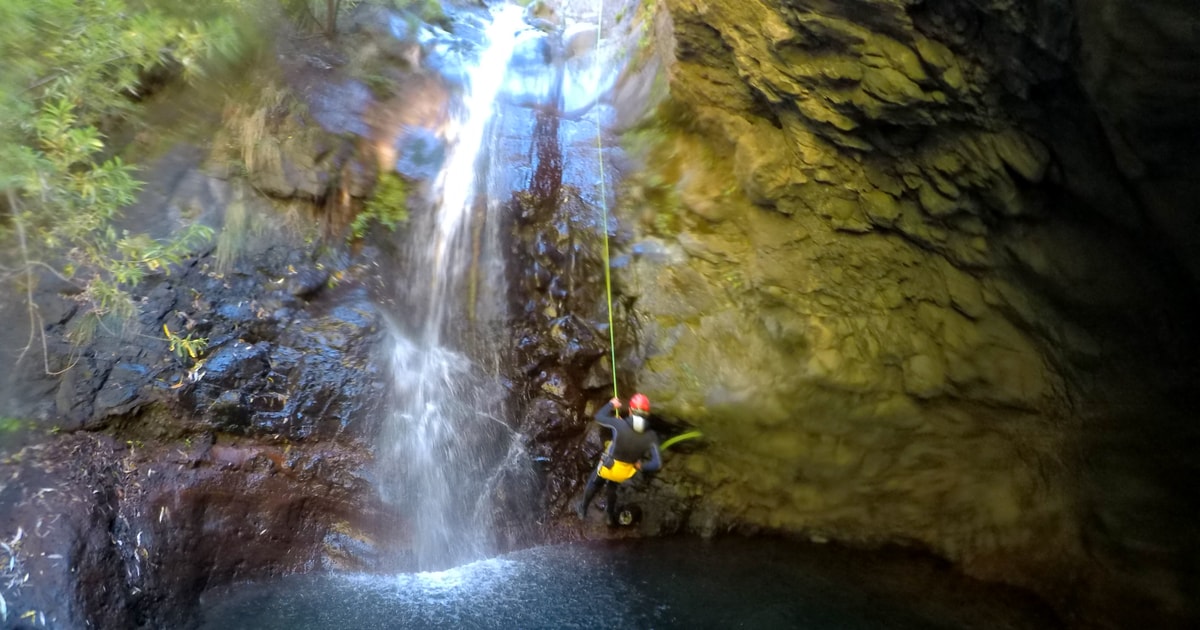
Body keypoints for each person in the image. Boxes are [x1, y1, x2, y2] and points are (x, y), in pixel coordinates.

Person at [575, 393, 661, 526]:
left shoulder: (619, 424)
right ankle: (609, 516)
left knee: (594, 482)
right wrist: (641, 466)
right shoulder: (651, 436)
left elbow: (599, 417)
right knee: (612, 486)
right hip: (625, 472)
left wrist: (611, 404)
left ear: (630, 410)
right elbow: (657, 463)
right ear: (647, 414)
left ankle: (583, 509)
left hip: (609, 467)